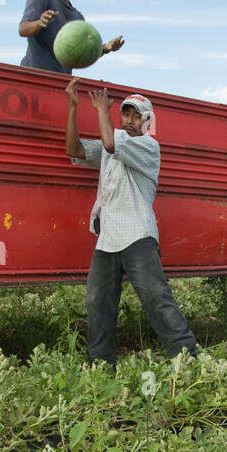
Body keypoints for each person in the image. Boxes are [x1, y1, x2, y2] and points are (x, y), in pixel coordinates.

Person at [64, 77, 197, 366]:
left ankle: (189, 359)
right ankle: (101, 365)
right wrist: (73, 108)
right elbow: (74, 150)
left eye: (138, 116)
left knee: (156, 299)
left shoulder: (148, 147)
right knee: (98, 303)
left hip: (137, 235)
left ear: (147, 122)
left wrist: (101, 109)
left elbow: (111, 143)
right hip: (108, 238)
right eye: (126, 113)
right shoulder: (113, 142)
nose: (130, 120)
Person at [20, 0, 123, 73]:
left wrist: (105, 48)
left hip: (63, 83)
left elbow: (81, 55)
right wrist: (39, 23)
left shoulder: (78, 17)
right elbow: (23, 29)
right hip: (34, 77)